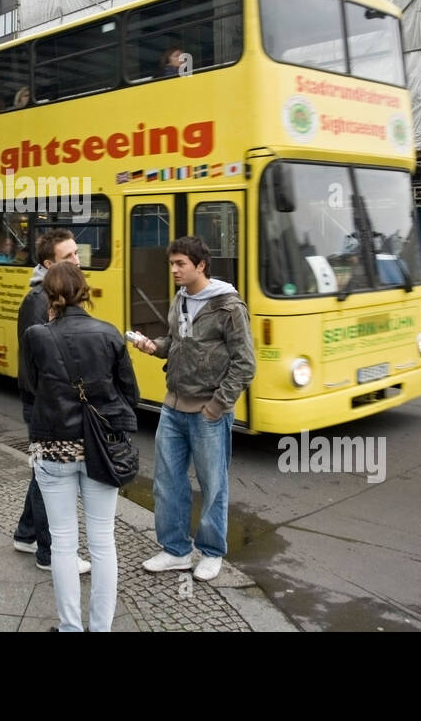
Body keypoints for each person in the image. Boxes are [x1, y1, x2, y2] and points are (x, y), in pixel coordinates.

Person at [130, 235, 254, 582]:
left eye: (180, 264)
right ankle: (176, 551)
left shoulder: (228, 307)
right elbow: (178, 342)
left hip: (207, 412)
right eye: (171, 264)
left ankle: (212, 552)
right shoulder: (181, 299)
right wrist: (155, 346)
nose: (173, 270)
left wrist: (218, 406)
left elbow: (245, 364)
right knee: (167, 483)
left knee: (213, 485)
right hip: (173, 406)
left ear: (200, 265)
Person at [23, 262, 139, 631]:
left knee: (62, 545)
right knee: (103, 542)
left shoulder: (36, 335)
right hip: (101, 451)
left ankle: (71, 628)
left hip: (53, 449)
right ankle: (101, 628)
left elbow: (29, 388)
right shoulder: (109, 334)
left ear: (50, 295)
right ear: (84, 291)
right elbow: (130, 395)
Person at [13, 229, 90, 575]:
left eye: (77, 253)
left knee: (44, 470)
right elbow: (40, 359)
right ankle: (48, 552)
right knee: (50, 474)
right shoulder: (37, 300)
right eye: (68, 256)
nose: (77, 261)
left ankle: (26, 534)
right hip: (45, 403)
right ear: (48, 264)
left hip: (53, 401)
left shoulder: (56, 294)